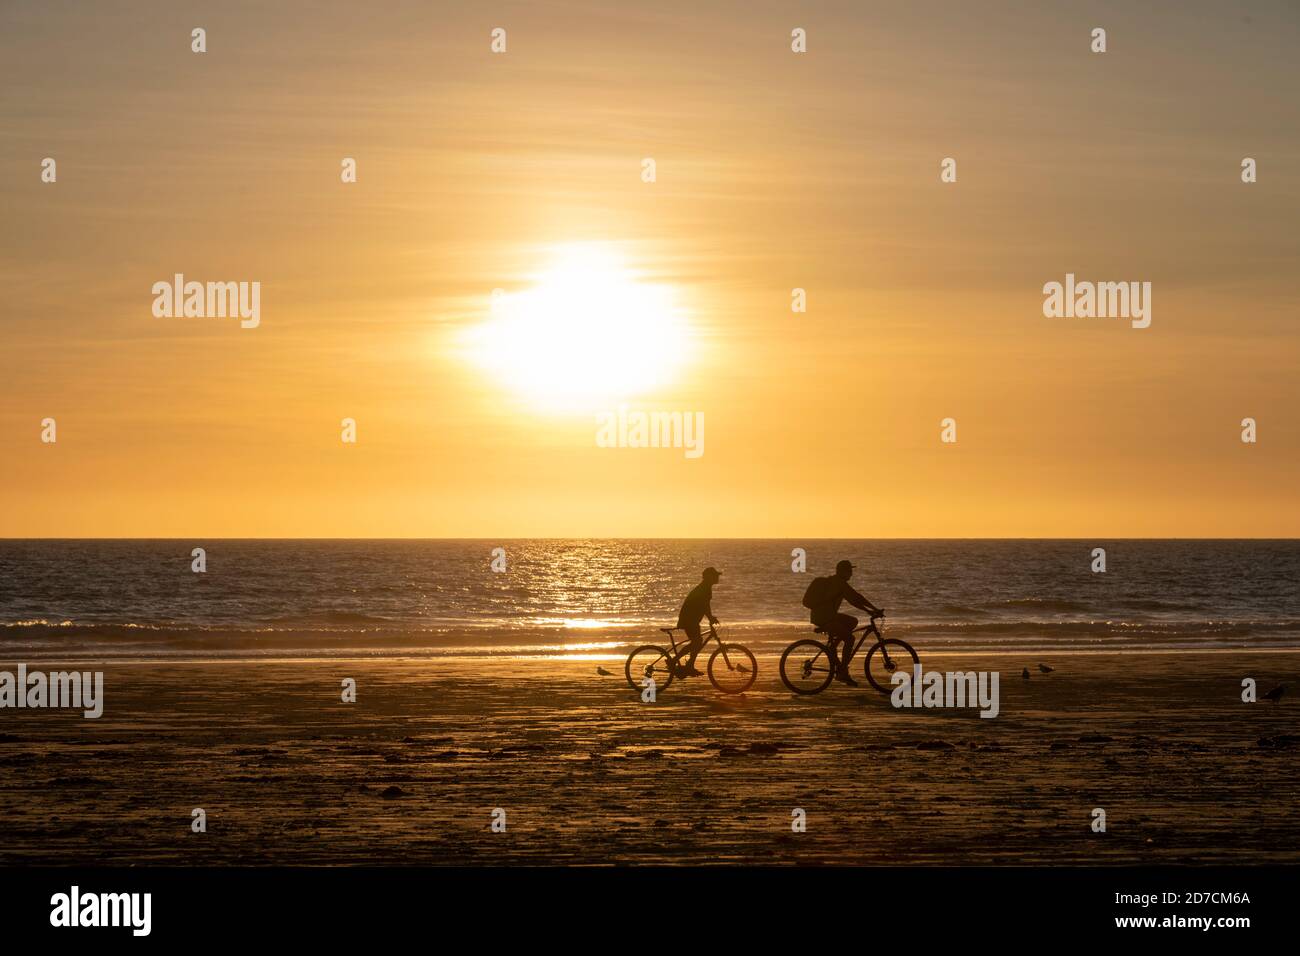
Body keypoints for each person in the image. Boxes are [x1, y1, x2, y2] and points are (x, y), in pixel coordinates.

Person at [804, 559, 883, 686]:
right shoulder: (839, 584)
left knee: (852, 621)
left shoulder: (836, 582)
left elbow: (856, 598)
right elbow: (856, 599)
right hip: (825, 618)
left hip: (824, 616)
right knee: (850, 639)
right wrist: (872, 611)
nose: (851, 574)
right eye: (849, 571)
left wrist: (871, 610)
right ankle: (842, 671)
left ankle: (832, 647)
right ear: (843, 572)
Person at [675, 567, 721, 677]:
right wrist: (710, 618)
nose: (717, 577)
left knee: (697, 642)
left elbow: (705, 605)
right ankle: (674, 661)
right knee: (697, 642)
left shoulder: (706, 587)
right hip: (689, 619)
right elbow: (704, 605)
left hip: (692, 619)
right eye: (715, 575)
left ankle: (689, 666)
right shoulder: (704, 588)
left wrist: (710, 617)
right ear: (709, 577)